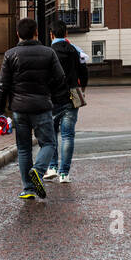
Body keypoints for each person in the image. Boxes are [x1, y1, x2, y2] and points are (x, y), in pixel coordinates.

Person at [0, 17, 67, 200]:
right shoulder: (48, 53)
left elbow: (3, 85)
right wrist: (48, 91)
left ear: (18, 34)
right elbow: (60, 78)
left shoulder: (10, 55)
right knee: (48, 143)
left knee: (24, 148)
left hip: (19, 108)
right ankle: (38, 170)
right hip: (42, 106)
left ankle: (28, 188)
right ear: (36, 33)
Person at [44, 19, 88, 184]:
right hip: (73, 93)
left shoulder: (49, 51)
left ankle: (53, 167)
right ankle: (64, 173)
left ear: (51, 34)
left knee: (51, 133)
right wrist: (83, 87)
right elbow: (83, 71)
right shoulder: (74, 50)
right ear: (66, 34)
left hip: (53, 96)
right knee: (68, 135)